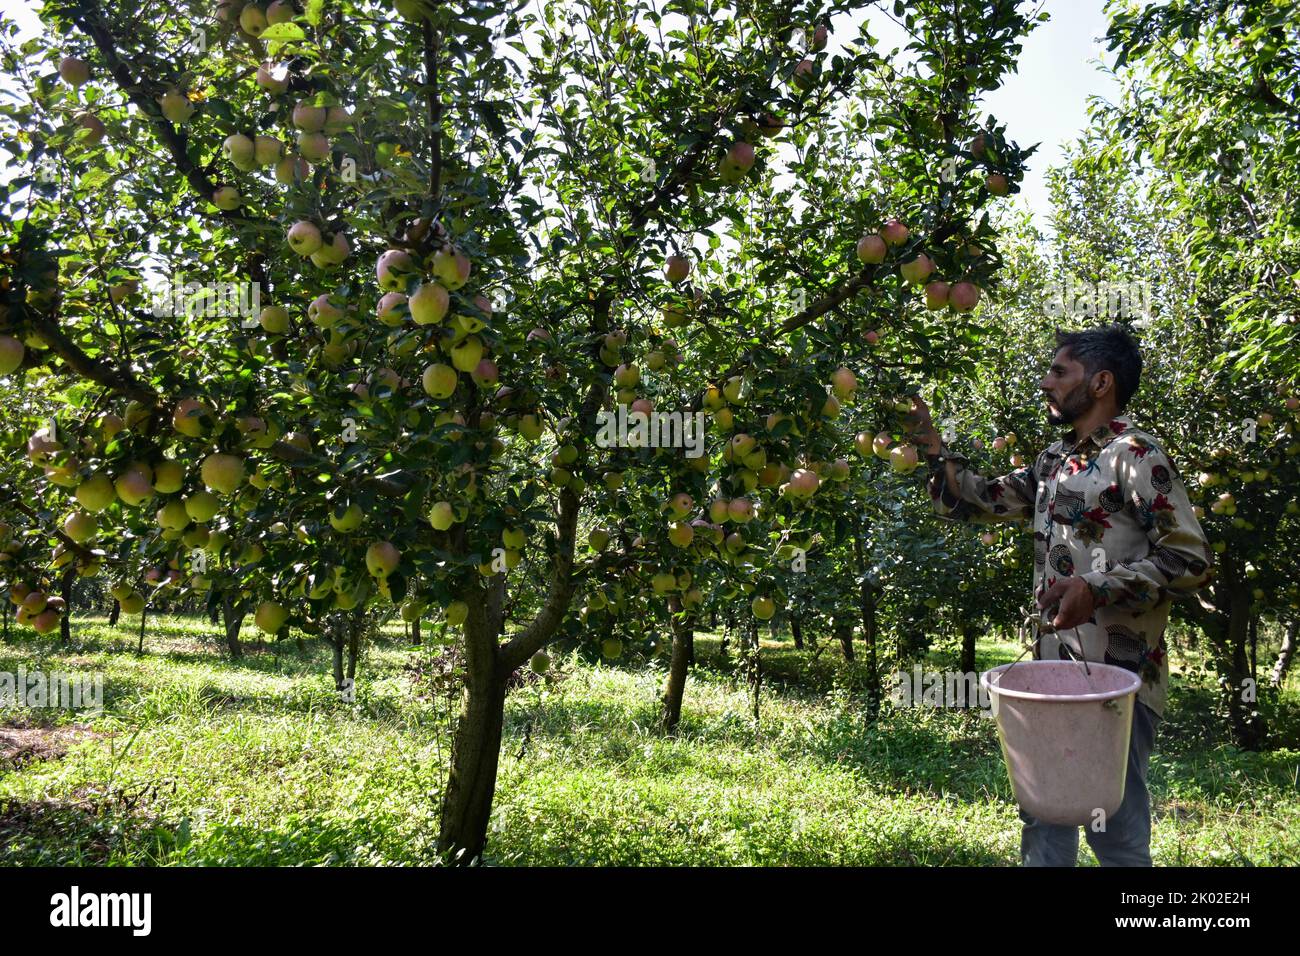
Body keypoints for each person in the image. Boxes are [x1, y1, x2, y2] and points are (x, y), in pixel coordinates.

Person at [905, 324, 1215, 866]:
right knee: (1044, 816)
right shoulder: (1056, 460)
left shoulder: (1135, 456)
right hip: (1051, 679)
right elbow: (980, 500)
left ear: (1100, 382)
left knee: (1113, 830)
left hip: (1115, 679)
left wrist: (1096, 589)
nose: (1045, 383)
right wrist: (931, 443)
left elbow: (1190, 560)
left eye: (1058, 372)